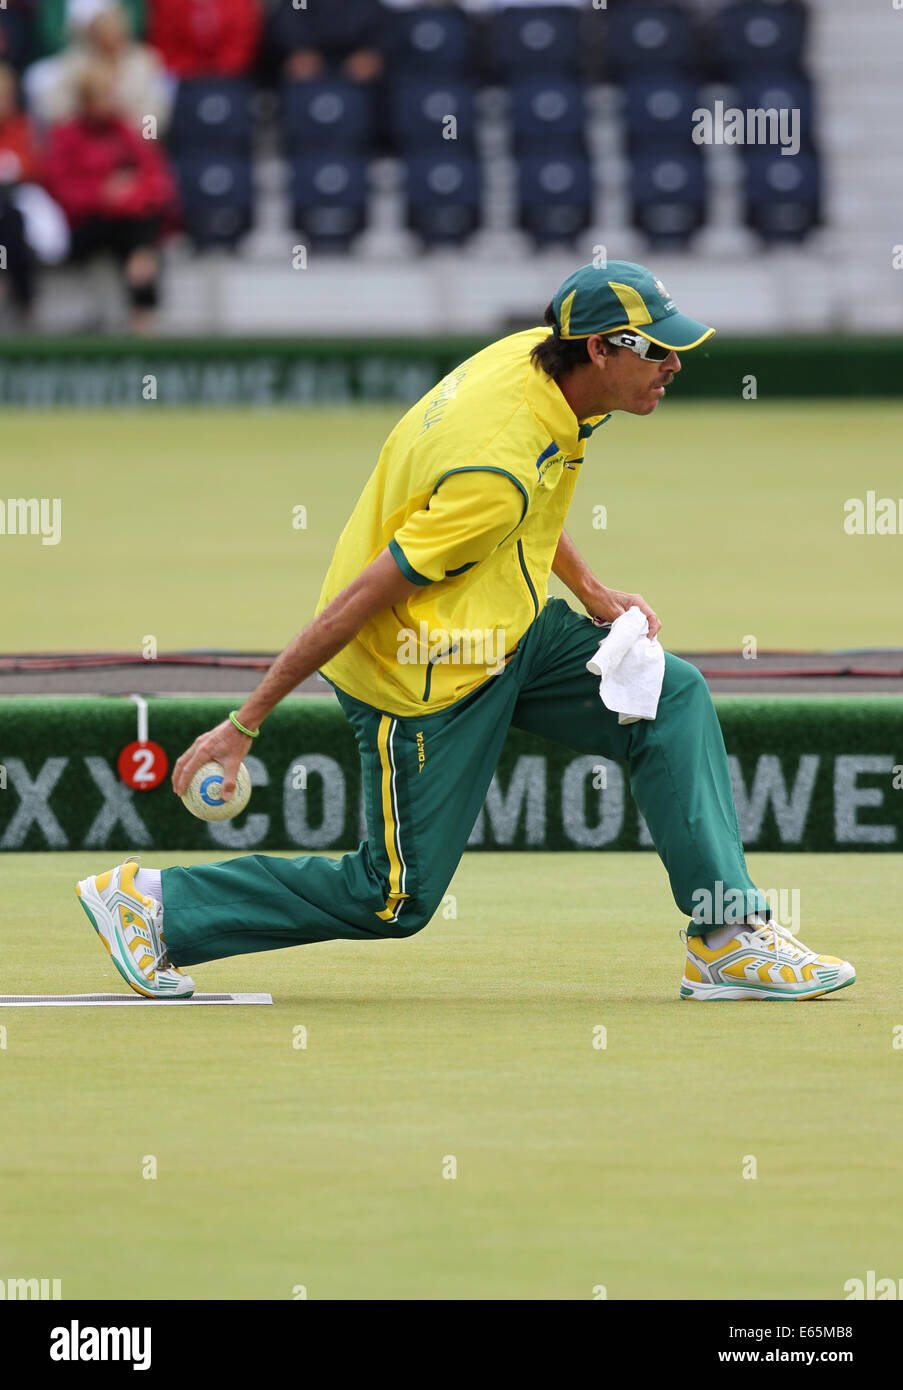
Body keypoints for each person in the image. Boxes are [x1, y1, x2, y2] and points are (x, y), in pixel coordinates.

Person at [74, 260, 856, 1003]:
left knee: (670, 695)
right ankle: (152, 905)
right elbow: (359, 600)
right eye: (656, 349)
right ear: (597, 349)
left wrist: (590, 592)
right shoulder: (496, 466)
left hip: (510, 633)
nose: (673, 364)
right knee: (392, 898)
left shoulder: (542, 368)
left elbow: (535, 499)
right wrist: (244, 722)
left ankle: (725, 936)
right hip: (418, 673)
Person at [43, 61, 177, 331]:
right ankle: (141, 316)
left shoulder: (128, 131)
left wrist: (125, 196)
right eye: (103, 95)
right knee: (140, 231)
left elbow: (158, 181)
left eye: (112, 94)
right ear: (86, 100)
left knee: (142, 229)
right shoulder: (65, 136)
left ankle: (142, 316)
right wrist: (103, 194)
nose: (110, 101)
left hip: (127, 221)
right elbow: (62, 190)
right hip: (84, 226)